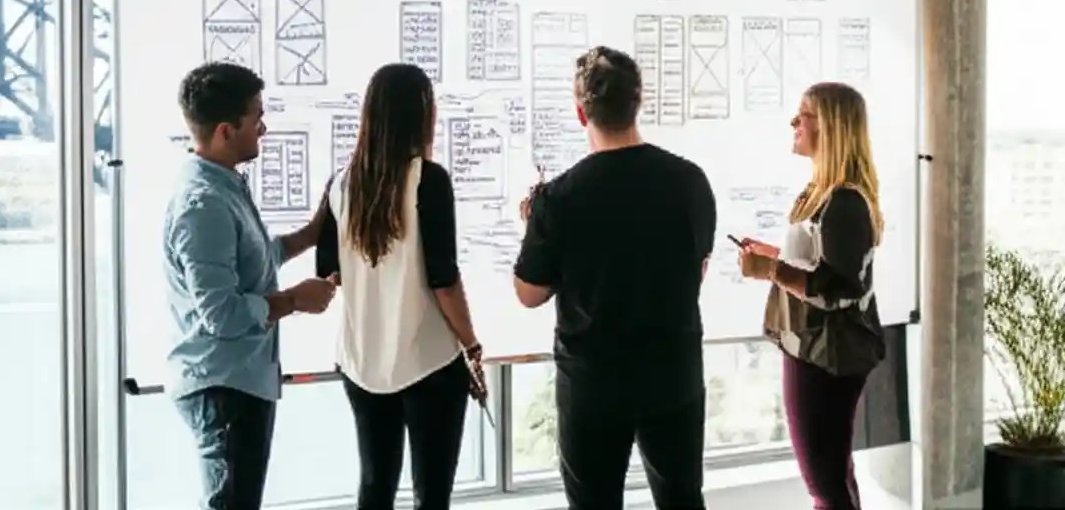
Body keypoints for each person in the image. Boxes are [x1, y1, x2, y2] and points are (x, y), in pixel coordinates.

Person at [512, 46, 717, 510]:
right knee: (683, 501)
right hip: (674, 375)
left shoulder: (558, 198)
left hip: (593, 385)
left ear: (581, 112)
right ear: (637, 102)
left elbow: (528, 293)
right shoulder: (691, 181)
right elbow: (697, 269)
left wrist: (535, 228)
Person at [163, 61, 338, 510]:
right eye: (257, 116)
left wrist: (313, 232)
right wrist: (296, 300)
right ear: (226, 130)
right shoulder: (203, 206)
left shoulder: (223, 186)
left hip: (240, 384)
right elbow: (222, 315)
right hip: (224, 391)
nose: (264, 126)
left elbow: (255, 261)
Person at [315, 63, 486, 510]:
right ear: (423, 114)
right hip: (427, 361)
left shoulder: (342, 184)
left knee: (375, 486)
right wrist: (471, 344)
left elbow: (328, 271)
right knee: (432, 494)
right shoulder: (428, 180)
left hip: (361, 362)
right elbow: (444, 280)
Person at [737, 82, 886, 510]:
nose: (793, 123)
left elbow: (838, 290)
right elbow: (821, 263)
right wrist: (773, 256)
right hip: (815, 350)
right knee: (833, 477)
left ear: (832, 127)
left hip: (825, 354)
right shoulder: (827, 195)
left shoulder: (844, 202)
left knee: (825, 486)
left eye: (803, 114)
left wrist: (769, 269)